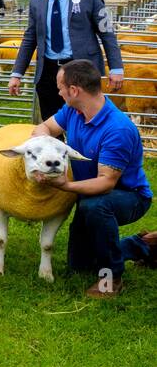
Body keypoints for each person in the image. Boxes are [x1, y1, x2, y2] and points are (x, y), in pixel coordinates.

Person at [33, 59, 151, 298]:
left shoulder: (117, 129)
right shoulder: (72, 110)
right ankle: (144, 244)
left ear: (74, 90)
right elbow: (42, 128)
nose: (58, 92)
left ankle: (112, 277)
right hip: (90, 192)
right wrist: (45, 151)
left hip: (129, 196)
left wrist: (65, 185)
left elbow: (106, 182)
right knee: (80, 264)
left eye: (60, 87)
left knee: (94, 206)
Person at [10, 0, 123, 125]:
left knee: (85, 120)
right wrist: (17, 74)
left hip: (81, 69)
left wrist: (116, 68)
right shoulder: (37, 3)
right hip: (48, 71)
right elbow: (29, 39)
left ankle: (82, 151)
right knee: (50, 120)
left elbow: (107, 32)